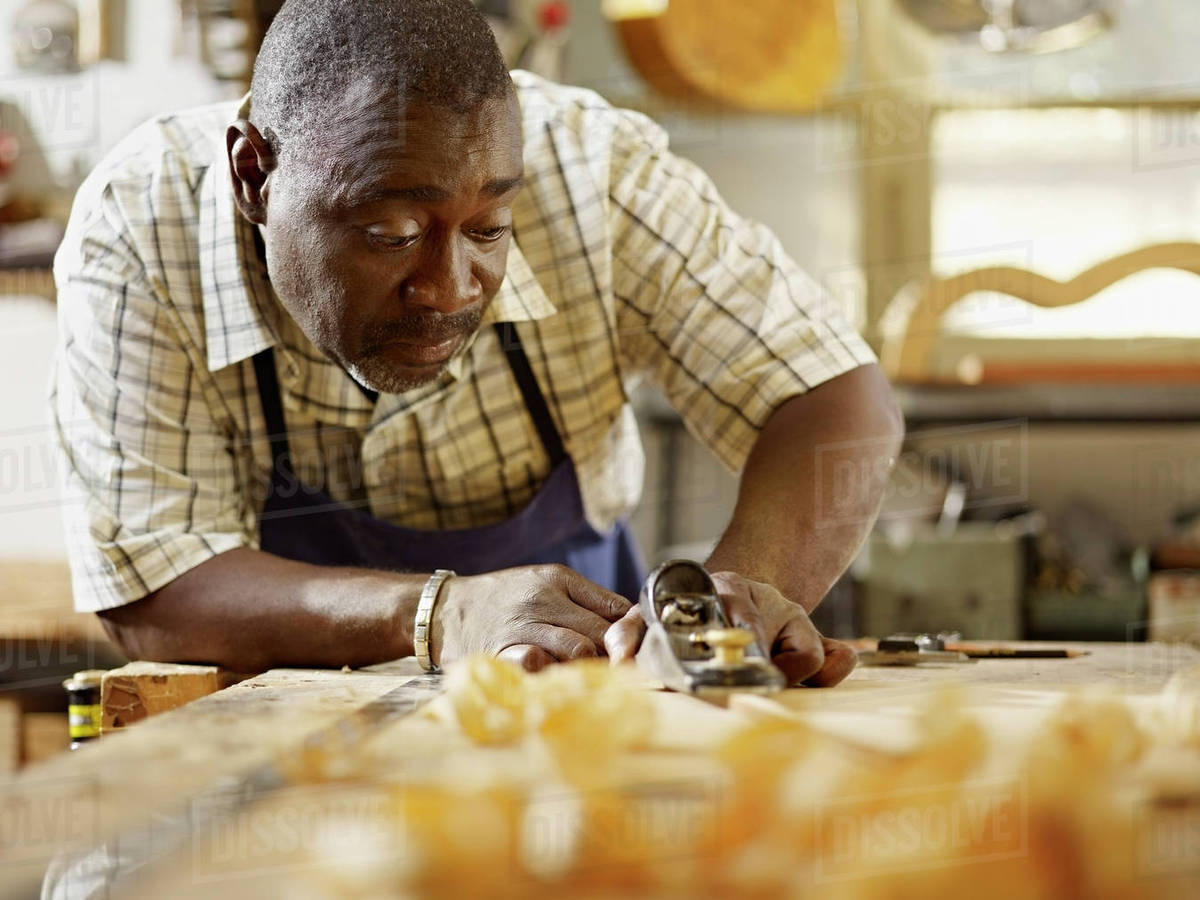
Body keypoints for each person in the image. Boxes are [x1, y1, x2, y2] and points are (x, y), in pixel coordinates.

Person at [51, 0, 902, 685]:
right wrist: (441, 614)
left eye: (489, 228)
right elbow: (150, 586)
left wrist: (733, 600)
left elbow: (834, 394)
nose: (448, 287)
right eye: (390, 232)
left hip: (583, 700)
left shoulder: (594, 172)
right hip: (285, 724)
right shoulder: (140, 225)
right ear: (254, 177)